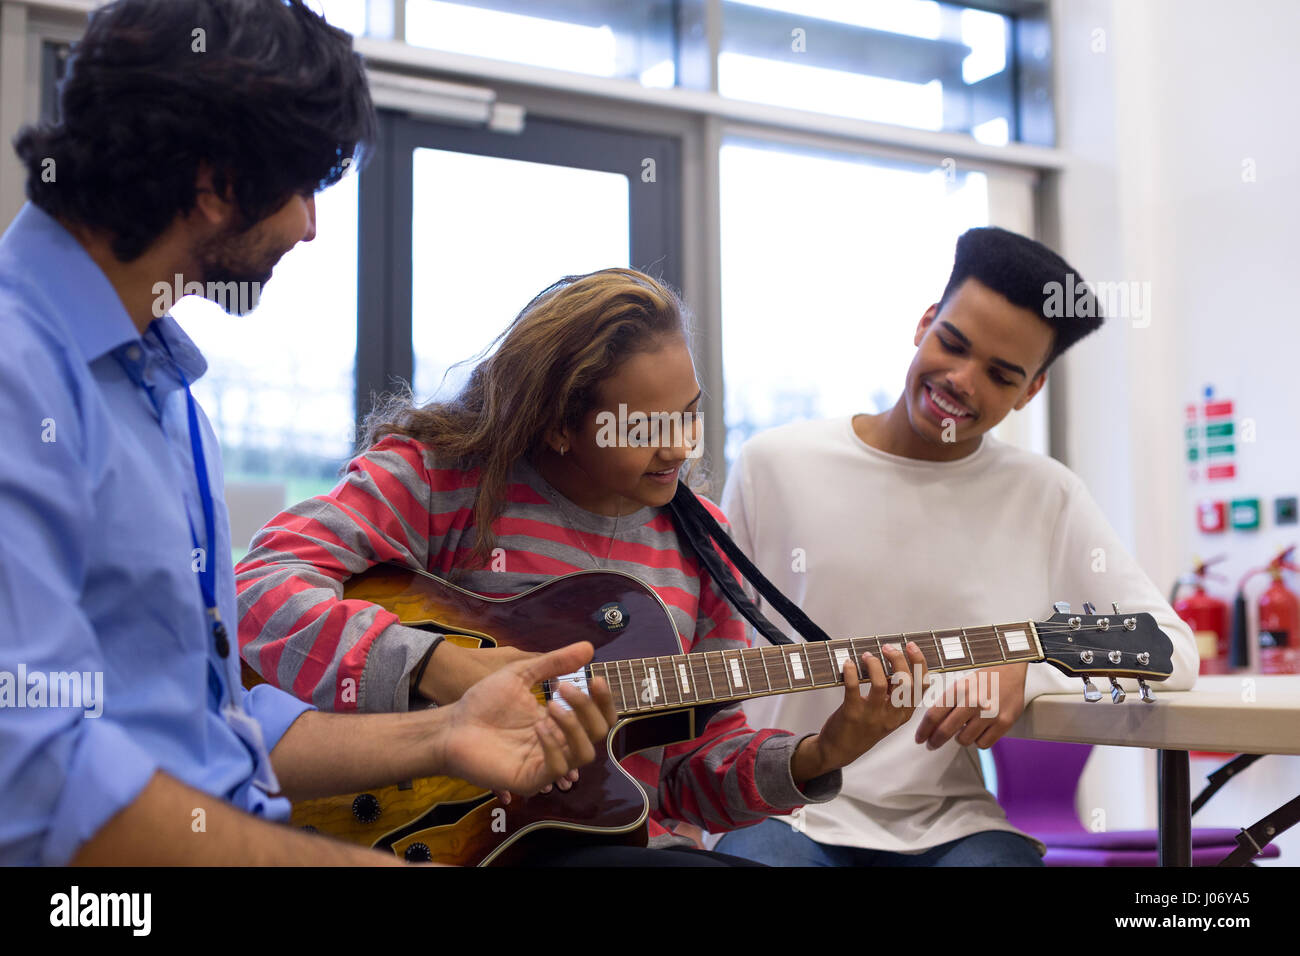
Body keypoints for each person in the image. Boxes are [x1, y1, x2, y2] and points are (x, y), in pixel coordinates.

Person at [0, 0, 615, 867]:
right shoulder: (17, 374)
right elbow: (31, 777)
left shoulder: (167, 398)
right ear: (215, 183)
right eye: (303, 188)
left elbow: (212, 736)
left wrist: (445, 733)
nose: (309, 226)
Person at [235, 267, 930, 865]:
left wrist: (819, 754)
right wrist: (438, 665)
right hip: (425, 833)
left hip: (616, 843)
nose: (681, 447)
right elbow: (258, 587)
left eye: (689, 415)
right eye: (644, 429)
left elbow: (691, 776)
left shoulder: (704, 545)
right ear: (558, 424)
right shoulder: (439, 481)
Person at [711, 227, 1200, 866]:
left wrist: (1030, 671)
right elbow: (709, 646)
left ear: (1030, 391)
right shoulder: (775, 464)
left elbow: (1172, 648)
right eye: (953, 344)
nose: (962, 381)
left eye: (1000, 374)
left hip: (953, 825)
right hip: (789, 805)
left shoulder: (1042, 495)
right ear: (923, 323)